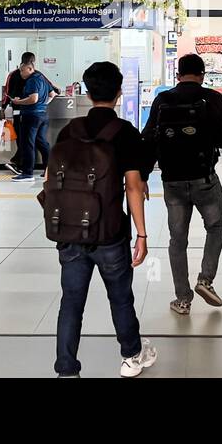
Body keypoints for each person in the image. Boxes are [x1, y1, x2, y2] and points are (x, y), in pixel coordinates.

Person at [48, 61, 157, 378]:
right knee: (121, 298)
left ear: (87, 91)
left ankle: (66, 369)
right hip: (110, 233)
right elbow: (134, 187)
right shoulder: (124, 133)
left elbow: (49, 178)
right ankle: (131, 356)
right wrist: (142, 234)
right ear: (119, 93)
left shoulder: (70, 130)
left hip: (70, 233)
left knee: (71, 302)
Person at [142, 53, 222, 315]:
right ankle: (205, 280)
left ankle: (183, 299)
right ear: (203, 75)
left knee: (177, 239)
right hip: (204, 178)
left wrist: (145, 175)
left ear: (178, 75)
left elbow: (148, 138)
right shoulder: (213, 98)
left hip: (172, 181)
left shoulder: (163, 99)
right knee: (215, 227)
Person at [1, 52, 59, 175]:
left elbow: (8, 93)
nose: (21, 73)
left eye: (22, 70)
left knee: (25, 141)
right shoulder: (39, 75)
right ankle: (48, 168)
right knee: (39, 141)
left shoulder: (27, 78)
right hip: (40, 113)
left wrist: (5, 107)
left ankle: (24, 169)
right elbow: (54, 91)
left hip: (26, 112)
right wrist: (43, 105)